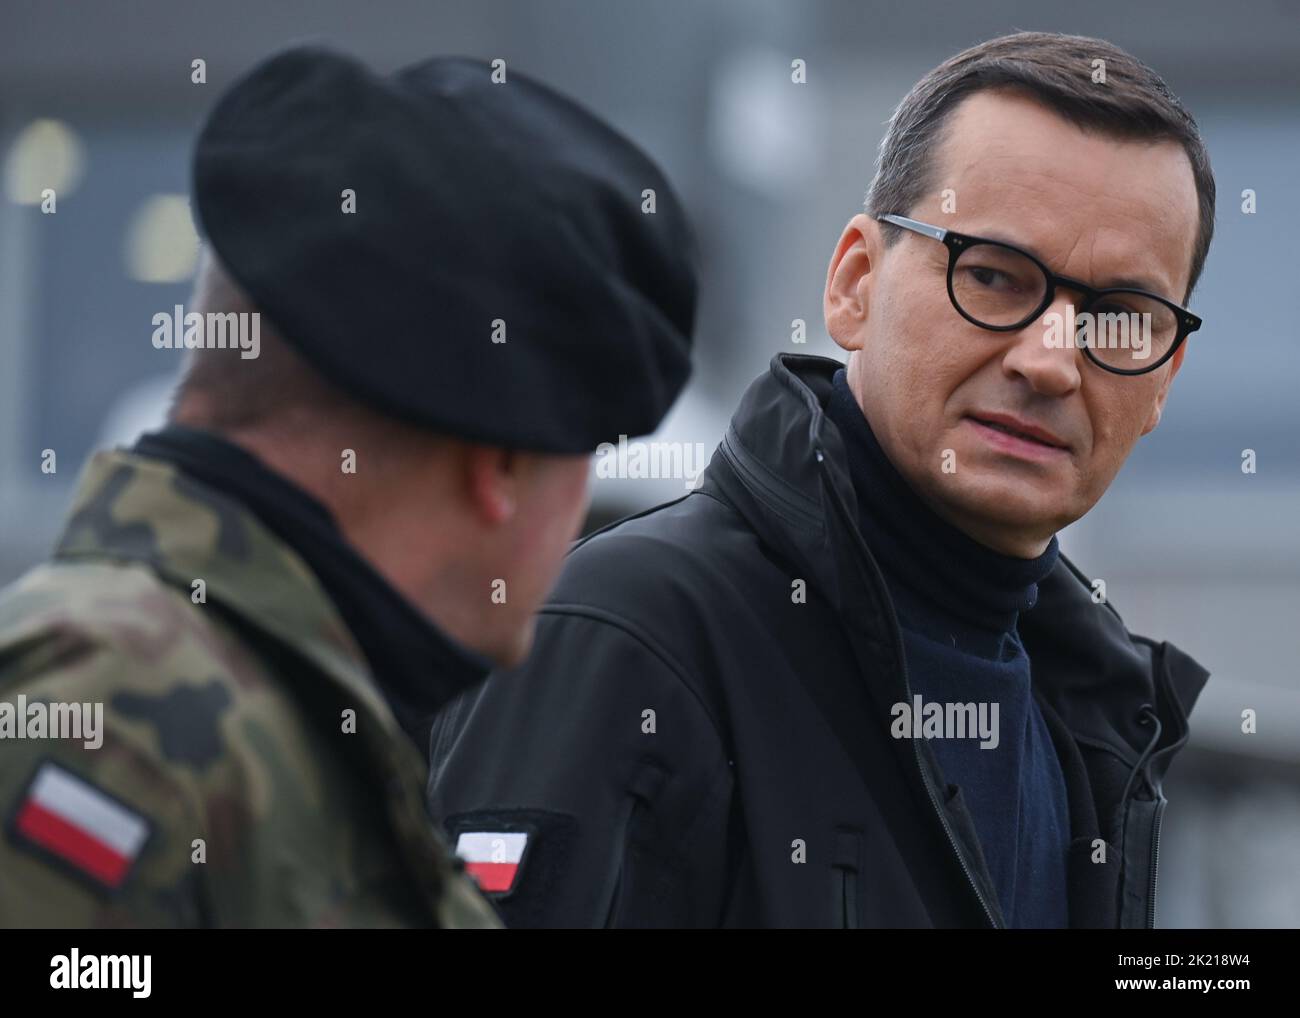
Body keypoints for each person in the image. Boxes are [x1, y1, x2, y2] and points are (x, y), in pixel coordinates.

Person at [427, 31, 1213, 928]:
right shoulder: (627, 634)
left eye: (1120, 317)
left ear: (1166, 378)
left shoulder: (1097, 714)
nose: (1051, 362)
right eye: (993, 276)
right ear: (854, 284)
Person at [0, 46, 696, 927]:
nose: (576, 523)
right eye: (587, 452)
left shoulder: (300, 730)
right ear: (503, 468)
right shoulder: (121, 722)